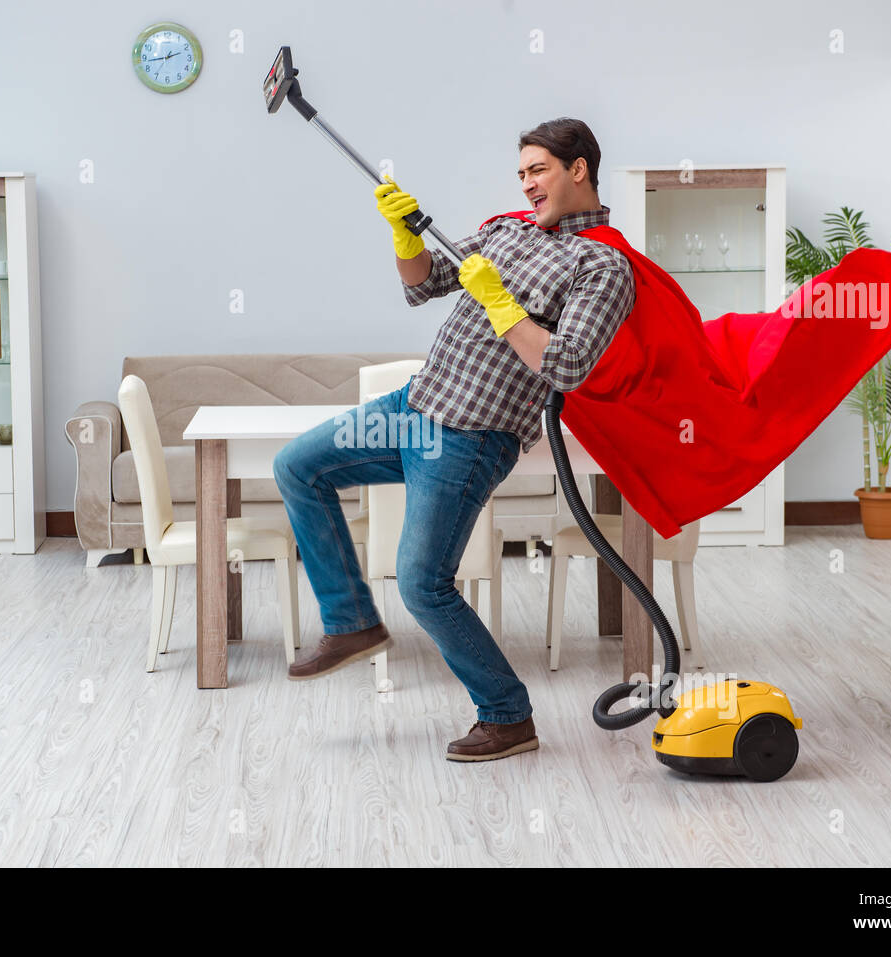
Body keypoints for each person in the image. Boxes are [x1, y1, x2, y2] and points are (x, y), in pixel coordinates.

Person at [272, 117, 636, 761]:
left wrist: (506, 310)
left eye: (538, 170)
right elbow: (422, 284)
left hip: (469, 436)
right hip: (412, 406)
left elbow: (568, 364)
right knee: (297, 466)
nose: (526, 184)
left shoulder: (602, 264)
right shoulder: (503, 233)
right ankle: (351, 621)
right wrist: (401, 232)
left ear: (578, 169)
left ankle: (507, 716)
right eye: (521, 172)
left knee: (421, 582)